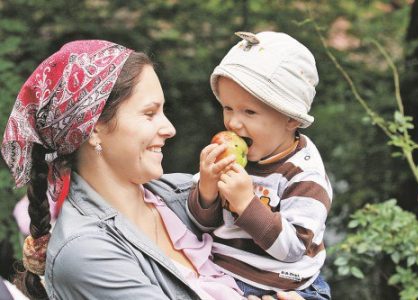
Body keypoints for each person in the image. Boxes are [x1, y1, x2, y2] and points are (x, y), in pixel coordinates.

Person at [1, 39, 305, 300]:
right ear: (93, 130)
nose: (170, 128)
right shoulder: (86, 254)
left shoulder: (191, 194)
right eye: (150, 113)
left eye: (164, 111)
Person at [187, 31, 332, 299]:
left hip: (286, 286)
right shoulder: (235, 155)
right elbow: (202, 225)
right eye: (228, 108)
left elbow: (293, 249)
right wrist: (207, 190)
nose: (232, 123)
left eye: (249, 112)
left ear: (291, 120)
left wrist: (246, 203)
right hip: (224, 274)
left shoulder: (304, 176)